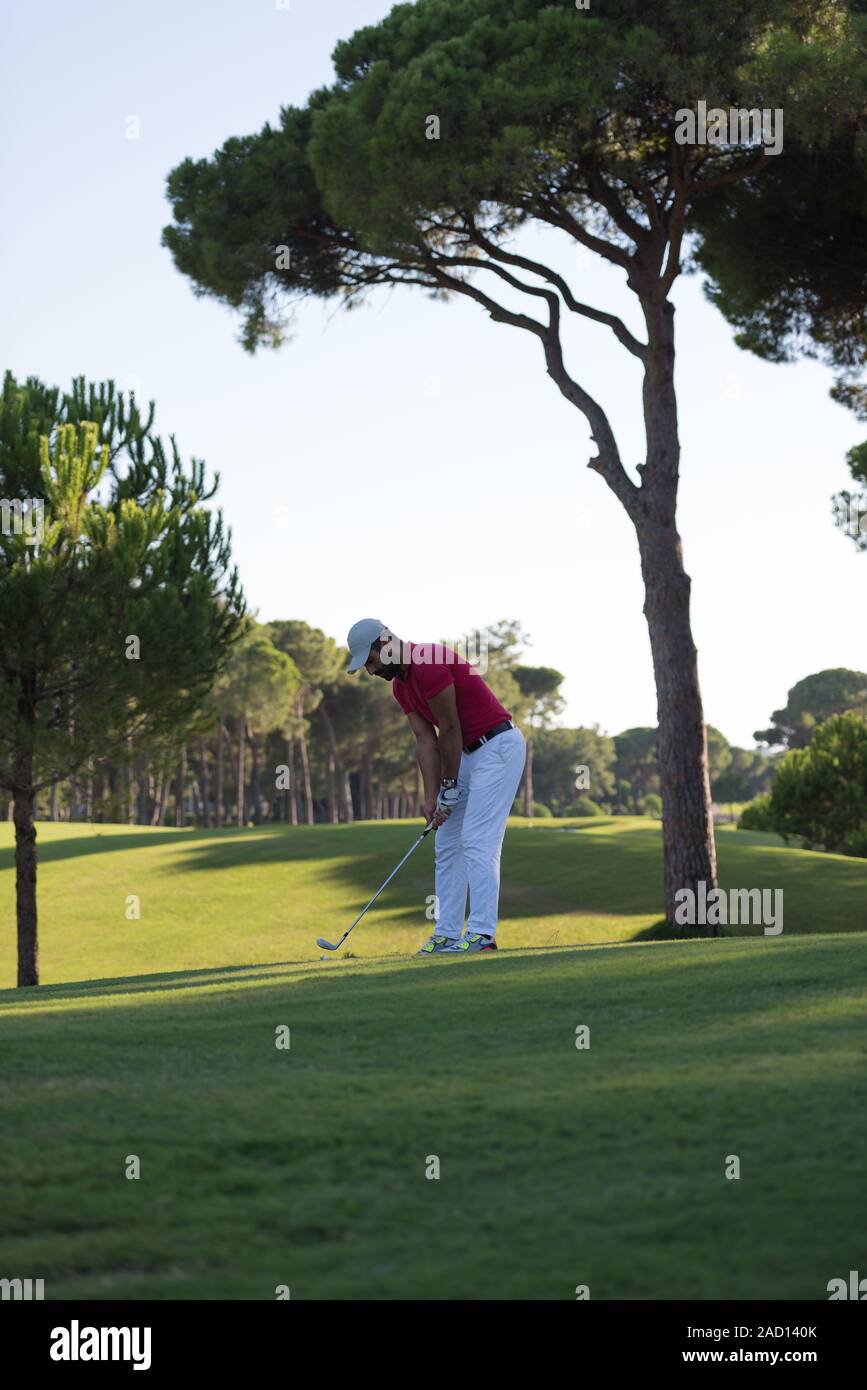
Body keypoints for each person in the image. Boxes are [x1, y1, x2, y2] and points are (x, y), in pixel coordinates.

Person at [346, 619, 527, 955]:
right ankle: (446, 935)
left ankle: (482, 934)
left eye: (370, 661)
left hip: (498, 748)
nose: (371, 671)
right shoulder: (400, 687)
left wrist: (449, 787)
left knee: (477, 840)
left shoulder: (429, 662)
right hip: (468, 754)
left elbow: (450, 727)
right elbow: (425, 740)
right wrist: (432, 798)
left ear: (385, 643)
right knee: (446, 844)